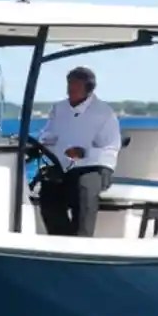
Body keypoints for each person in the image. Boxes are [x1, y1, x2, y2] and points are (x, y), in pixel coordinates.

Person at [37, 66, 121, 237]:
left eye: (75, 85)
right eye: (69, 84)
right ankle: (61, 240)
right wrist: (44, 141)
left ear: (88, 88)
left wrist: (84, 153)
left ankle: (83, 241)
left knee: (83, 189)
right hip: (64, 166)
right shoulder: (58, 108)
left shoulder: (104, 112)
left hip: (94, 167)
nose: (70, 89)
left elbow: (111, 147)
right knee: (48, 191)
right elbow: (48, 133)